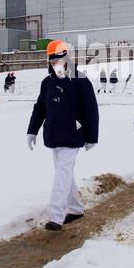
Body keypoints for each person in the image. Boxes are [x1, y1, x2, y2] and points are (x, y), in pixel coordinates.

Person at [27, 40, 99, 230]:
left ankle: (56, 216)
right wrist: (32, 130)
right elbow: (40, 108)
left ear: (66, 58)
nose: (55, 65)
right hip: (54, 135)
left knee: (62, 174)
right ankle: (75, 209)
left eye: (57, 60)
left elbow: (91, 109)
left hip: (73, 135)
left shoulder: (80, 80)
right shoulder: (47, 82)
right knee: (65, 173)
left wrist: (92, 136)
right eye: (51, 62)